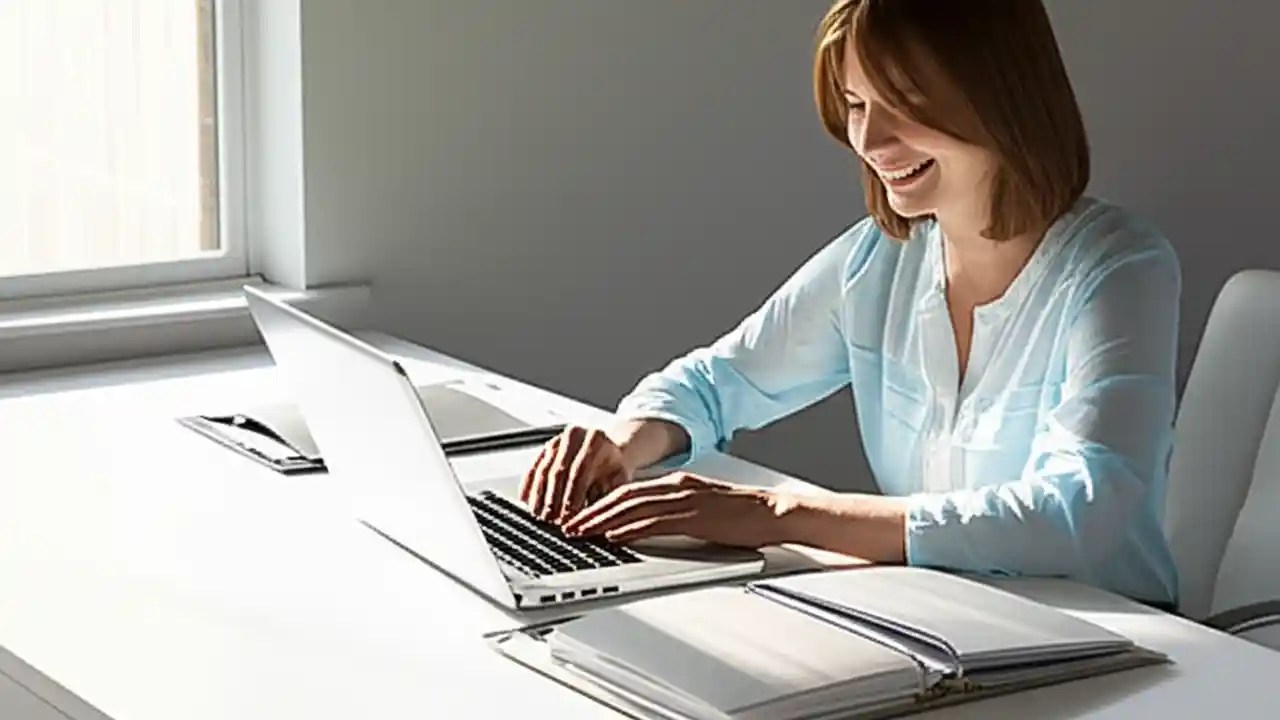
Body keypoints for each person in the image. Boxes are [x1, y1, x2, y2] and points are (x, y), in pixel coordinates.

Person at [519, 0, 1181, 608]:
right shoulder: (877, 260)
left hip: (1118, 636)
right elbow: (714, 383)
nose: (871, 141)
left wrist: (780, 516)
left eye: (907, 103)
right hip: (950, 620)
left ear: (1004, 97)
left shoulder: (1120, 269)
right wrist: (622, 446)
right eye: (857, 105)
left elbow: (1081, 512)